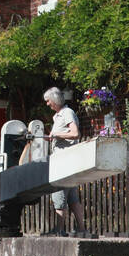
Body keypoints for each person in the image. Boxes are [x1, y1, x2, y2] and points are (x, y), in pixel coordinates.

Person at [43, 86, 86, 236]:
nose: (47, 104)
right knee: (73, 199)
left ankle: (59, 230)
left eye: (48, 101)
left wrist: (57, 135)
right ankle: (81, 230)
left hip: (64, 163)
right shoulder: (58, 116)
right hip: (68, 162)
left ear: (54, 100)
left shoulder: (67, 113)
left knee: (59, 195)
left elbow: (75, 134)